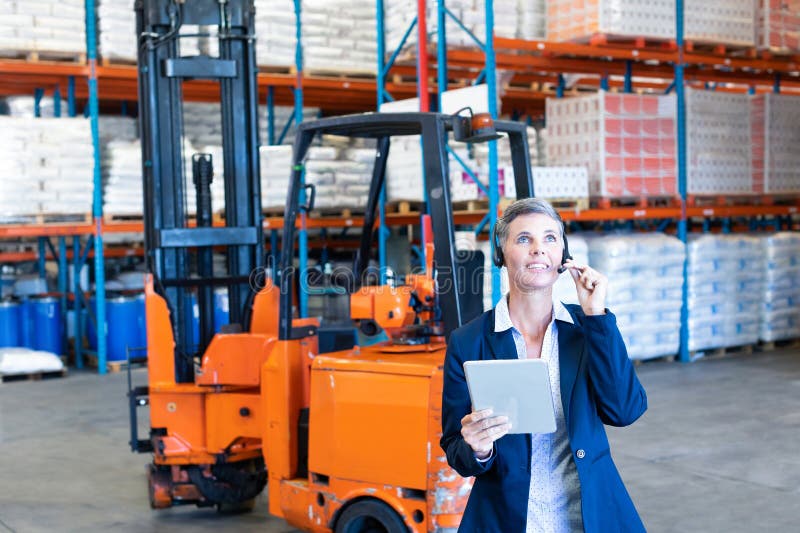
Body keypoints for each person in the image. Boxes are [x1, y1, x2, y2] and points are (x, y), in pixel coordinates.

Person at [440, 197, 647, 533]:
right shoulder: (469, 342)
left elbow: (624, 410)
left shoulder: (588, 327)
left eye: (550, 238)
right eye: (524, 239)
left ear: (562, 255)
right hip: (509, 518)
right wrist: (476, 448)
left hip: (588, 516)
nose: (538, 249)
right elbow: (455, 448)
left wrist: (597, 316)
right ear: (501, 255)